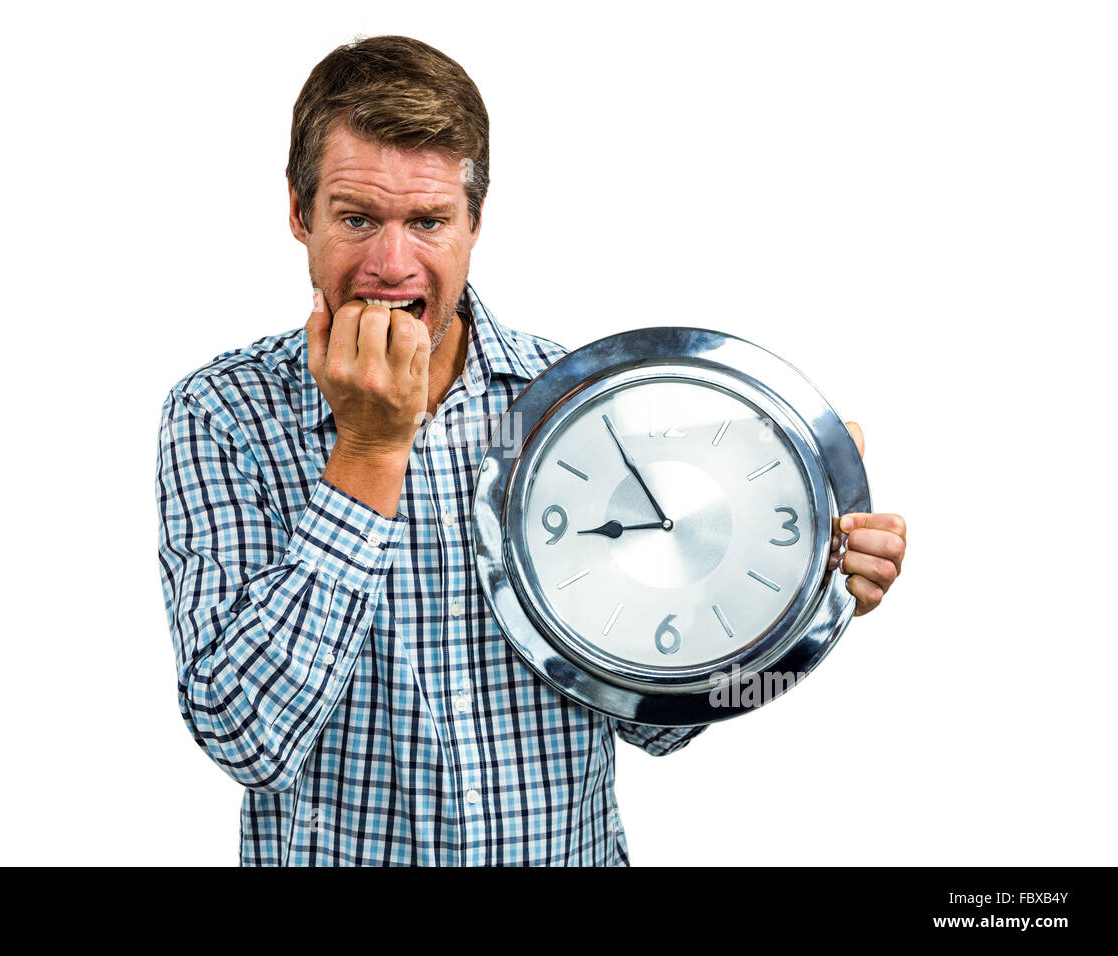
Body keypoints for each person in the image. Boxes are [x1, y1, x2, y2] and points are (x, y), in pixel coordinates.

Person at [154, 35, 908, 866]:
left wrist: (806, 593)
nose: (391, 262)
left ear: (475, 223)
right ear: (300, 215)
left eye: (429, 221)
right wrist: (369, 450)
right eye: (357, 217)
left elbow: (648, 719)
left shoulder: (579, 404)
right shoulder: (220, 413)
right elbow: (245, 739)